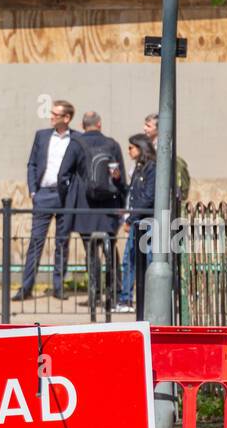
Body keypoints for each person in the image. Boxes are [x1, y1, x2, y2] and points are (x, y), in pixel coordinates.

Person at [16, 99, 79, 301]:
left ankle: (58, 287)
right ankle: (25, 288)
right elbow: (32, 164)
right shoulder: (42, 136)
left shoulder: (78, 138)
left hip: (65, 197)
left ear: (67, 118)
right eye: (51, 113)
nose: (51, 116)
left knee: (62, 243)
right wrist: (34, 191)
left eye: (55, 114)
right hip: (43, 194)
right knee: (36, 242)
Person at [62, 111, 125, 308]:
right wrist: (122, 205)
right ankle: (114, 293)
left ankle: (94, 295)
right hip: (108, 206)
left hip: (85, 207)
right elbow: (120, 178)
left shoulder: (76, 143)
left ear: (82, 125)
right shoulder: (112, 144)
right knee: (110, 249)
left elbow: (62, 174)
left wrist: (68, 200)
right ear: (99, 124)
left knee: (90, 251)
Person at [117, 133, 157, 311]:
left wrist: (131, 217)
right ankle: (126, 299)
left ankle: (148, 300)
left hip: (146, 222)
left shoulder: (152, 168)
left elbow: (148, 197)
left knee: (147, 260)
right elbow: (132, 193)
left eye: (131, 147)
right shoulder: (139, 168)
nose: (128, 151)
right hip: (137, 221)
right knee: (129, 260)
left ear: (141, 148)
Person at [144, 112, 190, 206]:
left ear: (158, 129)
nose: (144, 129)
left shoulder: (163, 147)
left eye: (148, 126)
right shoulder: (148, 145)